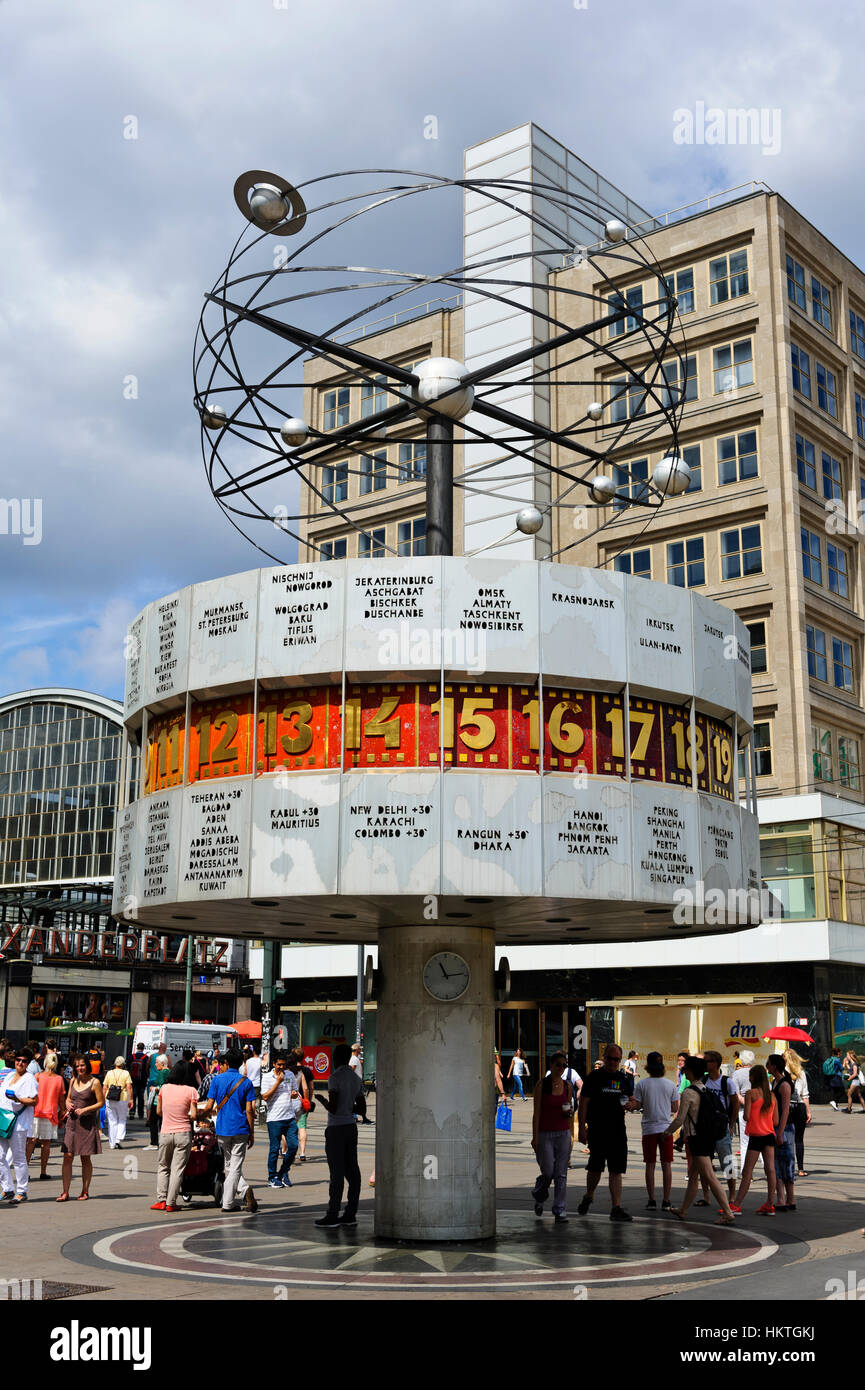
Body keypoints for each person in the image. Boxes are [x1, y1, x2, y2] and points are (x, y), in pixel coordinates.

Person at [661, 1056, 734, 1225]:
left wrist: (667, 1133)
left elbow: (680, 1119)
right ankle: (683, 1210)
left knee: (709, 1176)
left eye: (685, 1069)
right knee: (693, 1176)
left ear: (691, 1071)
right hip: (707, 1137)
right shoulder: (706, 1089)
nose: (683, 1071)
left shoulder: (689, 1092)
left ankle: (728, 1212)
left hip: (697, 1139)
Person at [576, 1043, 633, 1221]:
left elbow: (632, 1100)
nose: (612, 1062)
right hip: (597, 1129)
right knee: (595, 1167)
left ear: (620, 1060)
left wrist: (634, 1104)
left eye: (616, 1059)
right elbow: (583, 1103)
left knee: (616, 1170)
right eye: (609, 1058)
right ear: (604, 1057)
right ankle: (589, 1195)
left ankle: (615, 1208)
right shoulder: (594, 1077)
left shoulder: (623, 1079)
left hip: (617, 1130)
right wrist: (581, 1129)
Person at [202, 1047, 257, 1214]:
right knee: (235, 1166)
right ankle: (229, 1202)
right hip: (240, 1128)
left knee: (229, 1165)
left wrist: (200, 1116)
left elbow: (209, 1106)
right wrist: (252, 1132)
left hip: (223, 1128)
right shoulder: (246, 1082)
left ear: (225, 1063)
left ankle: (240, 1193)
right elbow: (249, 1110)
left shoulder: (217, 1080)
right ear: (241, 1063)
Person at [315, 1042, 363, 1228]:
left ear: (336, 1059)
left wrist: (323, 1101)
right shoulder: (355, 1078)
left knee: (336, 1173)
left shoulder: (334, 1078)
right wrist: (349, 1107)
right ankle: (350, 1213)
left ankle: (332, 1213)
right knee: (353, 1171)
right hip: (351, 1127)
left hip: (336, 1128)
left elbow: (333, 1108)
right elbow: (362, 1109)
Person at [628, 1051, 678, 1210]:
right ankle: (667, 1200)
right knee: (666, 1165)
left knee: (650, 1165)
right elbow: (675, 1107)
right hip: (666, 1128)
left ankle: (651, 1200)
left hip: (648, 1129)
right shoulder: (670, 1084)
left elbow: (637, 1105)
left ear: (648, 1067)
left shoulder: (642, 1084)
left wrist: (630, 1105)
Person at [531, 1052, 573, 1223]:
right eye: (558, 1065)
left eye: (564, 1065)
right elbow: (537, 1113)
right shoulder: (542, 1085)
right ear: (551, 1065)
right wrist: (535, 1138)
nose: (561, 1068)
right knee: (548, 1171)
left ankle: (559, 1209)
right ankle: (539, 1194)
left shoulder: (568, 1086)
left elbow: (569, 1111)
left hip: (563, 1133)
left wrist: (571, 1135)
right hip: (545, 1134)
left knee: (561, 1173)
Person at [151, 1063, 198, 1212]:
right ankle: (171, 1203)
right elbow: (194, 1115)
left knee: (163, 1167)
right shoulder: (191, 1091)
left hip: (165, 1132)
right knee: (177, 1169)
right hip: (183, 1133)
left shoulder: (164, 1088)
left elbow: (159, 1111)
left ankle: (161, 1200)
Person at [731, 1065, 778, 1214]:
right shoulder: (772, 1095)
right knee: (770, 1170)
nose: (749, 1078)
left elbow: (746, 1116)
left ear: (754, 1078)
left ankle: (737, 1204)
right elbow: (776, 1121)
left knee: (747, 1171)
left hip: (756, 1136)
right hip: (769, 1135)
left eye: (750, 1076)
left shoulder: (751, 1094)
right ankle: (770, 1204)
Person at [57, 1056, 104, 1201]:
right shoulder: (73, 1080)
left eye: (82, 1065)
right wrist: (67, 1102)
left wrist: (85, 1109)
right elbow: (68, 1098)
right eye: (77, 1066)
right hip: (72, 1122)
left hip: (87, 1123)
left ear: (87, 1066)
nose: (79, 1068)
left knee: (85, 1157)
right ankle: (65, 1192)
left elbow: (101, 1103)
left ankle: (85, 1191)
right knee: (68, 1156)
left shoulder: (95, 1082)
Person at [698, 1051, 739, 1205]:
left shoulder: (727, 1082)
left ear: (716, 1063)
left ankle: (732, 1196)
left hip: (721, 1128)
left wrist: (731, 1124)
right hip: (706, 1127)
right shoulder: (702, 1080)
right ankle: (706, 1196)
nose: (705, 1064)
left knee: (727, 1162)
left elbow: (735, 1103)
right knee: (705, 1164)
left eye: (708, 1061)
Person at [0, 1048, 39, 1202]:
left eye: (23, 1061)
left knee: (18, 1158)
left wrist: (18, 1099)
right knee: (0, 1157)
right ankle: (8, 1188)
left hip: (18, 1123)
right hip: (3, 1120)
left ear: (28, 1063)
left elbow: (34, 1101)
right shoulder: (10, 1075)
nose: (20, 1063)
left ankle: (22, 1191)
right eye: (18, 1060)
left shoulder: (29, 1079)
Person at [262, 1055, 301, 1188]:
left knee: (294, 1145)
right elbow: (265, 1097)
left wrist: (294, 1094)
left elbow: (294, 1090)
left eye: (283, 1064)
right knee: (274, 1149)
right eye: (279, 1064)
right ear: (274, 1063)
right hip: (274, 1119)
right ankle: (272, 1177)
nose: (281, 1067)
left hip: (289, 1117)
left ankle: (283, 1172)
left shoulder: (289, 1074)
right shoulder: (267, 1077)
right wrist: (278, 1082)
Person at [26, 1053, 66, 1179]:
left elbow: (31, 1094)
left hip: (35, 1112)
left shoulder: (37, 1076)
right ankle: (43, 1171)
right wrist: (62, 1114)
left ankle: (25, 1171)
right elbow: (61, 1100)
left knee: (31, 1141)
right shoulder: (59, 1079)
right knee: (46, 1143)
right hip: (50, 1114)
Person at [766, 1054, 796, 1211]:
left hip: (784, 1127)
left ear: (774, 1066)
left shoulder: (784, 1084)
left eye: (768, 1064)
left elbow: (785, 1110)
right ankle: (785, 1199)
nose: (767, 1066)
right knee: (780, 1161)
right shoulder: (775, 1082)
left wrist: (780, 1132)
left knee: (785, 1161)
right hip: (778, 1126)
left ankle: (786, 1199)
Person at [784, 1049, 812, 1176]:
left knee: (787, 1139)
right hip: (800, 1106)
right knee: (799, 1139)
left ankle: (788, 1168)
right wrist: (808, 1112)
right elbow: (805, 1095)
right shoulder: (801, 1073)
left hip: (787, 1107)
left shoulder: (782, 1072)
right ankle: (800, 1169)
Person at [103, 1055, 133, 1149]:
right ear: (123, 1064)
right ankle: (118, 1139)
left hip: (110, 1098)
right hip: (122, 1098)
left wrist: (102, 1099)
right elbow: (129, 1087)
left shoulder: (109, 1073)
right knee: (122, 1119)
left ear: (115, 1063)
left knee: (112, 1121)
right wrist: (131, 1098)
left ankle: (112, 1143)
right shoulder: (126, 1073)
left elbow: (104, 1087)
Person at [291, 1048, 314, 1162]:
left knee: (288, 1127)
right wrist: (308, 1100)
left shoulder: (289, 1070)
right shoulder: (307, 1071)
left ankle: (285, 1150)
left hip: (289, 1102)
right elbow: (310, 1088)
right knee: (302, 1127)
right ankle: (302, 1153)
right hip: (302, 1103)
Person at [144, 1054, 170, 1151]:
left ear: (162, 1063)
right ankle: (163, 1142)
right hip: (164, 1101)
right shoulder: (168, 1072)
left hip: (158, 1101)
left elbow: (162, 1086)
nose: (155, 1064)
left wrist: (153, 1088)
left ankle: (154, 1142)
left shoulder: (163, 1073)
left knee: (153, 1121)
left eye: (157, 1063)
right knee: (161, 1122)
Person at [129, 1044, 150, 1119]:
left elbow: (128, 1067)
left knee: (133, 1096)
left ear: (137, 1048)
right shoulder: (146, 1057)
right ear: (143, 1048)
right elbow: (147, 1068)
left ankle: (132, 1112)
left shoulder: (132, 1056)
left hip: (133, 1080)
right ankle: (140, 1114)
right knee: (141, 1097)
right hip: (142, 1080)